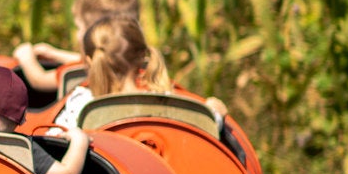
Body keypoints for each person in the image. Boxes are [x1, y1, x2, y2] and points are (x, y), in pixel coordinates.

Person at [52, 15, 229, 131]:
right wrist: (215, 111)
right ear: (142, 55)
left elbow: (52, 142)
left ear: (90, 61)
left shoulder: (82, 104)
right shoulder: (168, 102)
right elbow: (204, 128)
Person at [14, 0, 140, 94]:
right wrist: (56, 54)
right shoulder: (141, 65)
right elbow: (101, 58)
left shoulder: (91, 71)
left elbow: (40, 80)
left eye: (79, 27)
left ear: (94, 34)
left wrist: (26, 58)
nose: (77, 34)